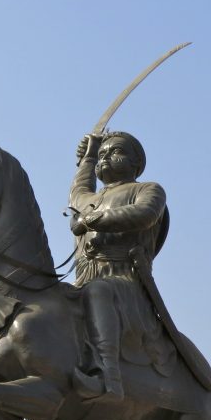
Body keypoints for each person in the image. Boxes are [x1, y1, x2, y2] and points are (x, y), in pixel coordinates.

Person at [69, 131, 174, 400]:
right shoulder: (91, 198)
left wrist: (92, 220)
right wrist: (89, 155)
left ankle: (108, 377)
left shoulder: (148, 190)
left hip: (125, 281)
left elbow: (144, 213)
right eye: (103, 154)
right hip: (85, 278)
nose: (106, 157)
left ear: (135, 163)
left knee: (98, 292)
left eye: (116, 152)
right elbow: (78, 194)